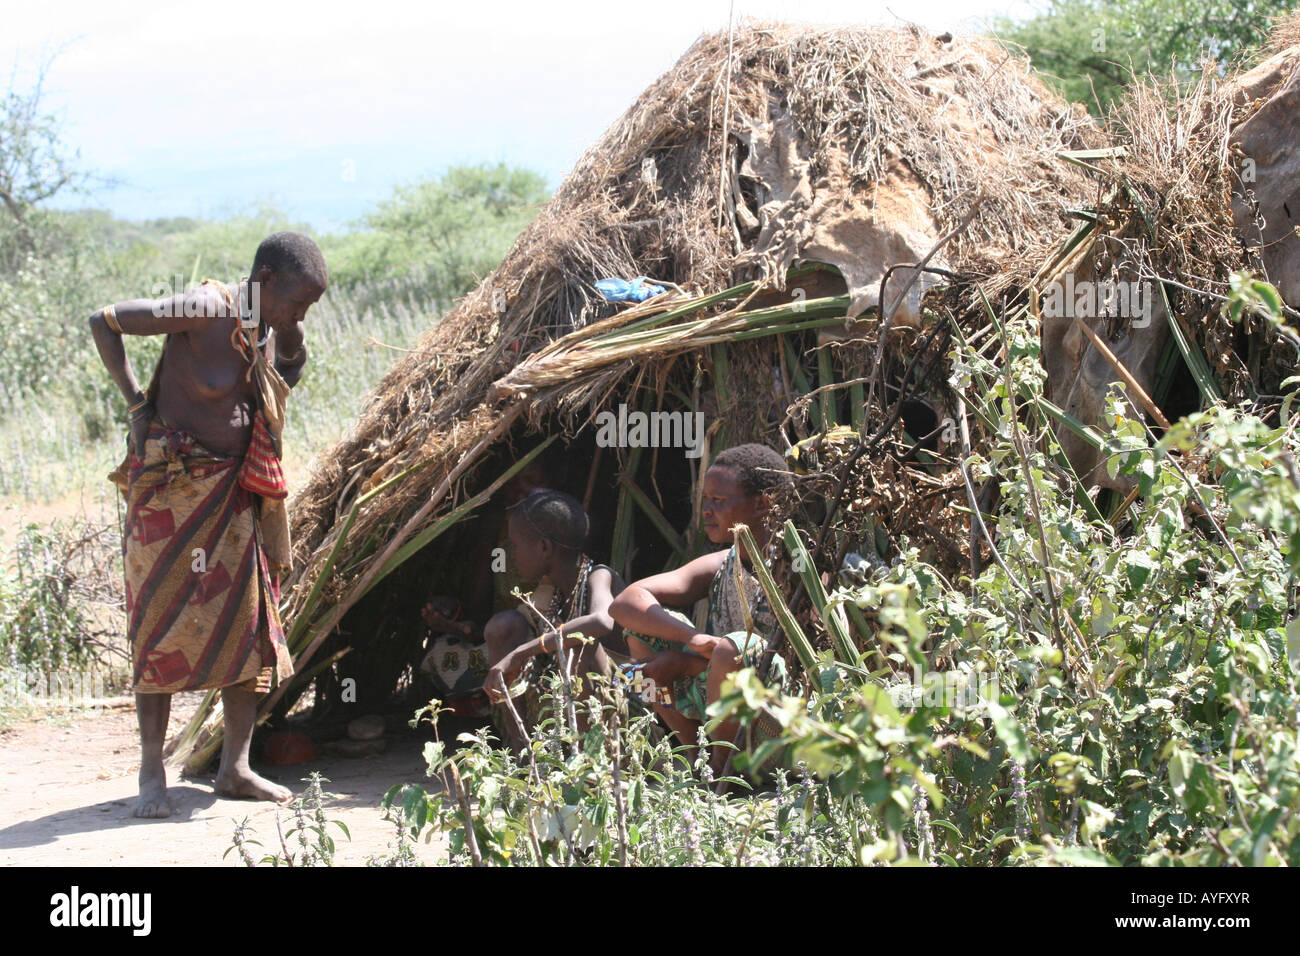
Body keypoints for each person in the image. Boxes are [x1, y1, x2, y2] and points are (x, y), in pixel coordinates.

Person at [90, 232, 327, 818]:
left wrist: (292, 330)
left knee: (247, 629)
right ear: (264, 279)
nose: (300, 314)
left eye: (309, 308)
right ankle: (151, 772)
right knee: (160, 626)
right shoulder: (202, 308)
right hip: (171, 491)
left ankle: (235, 767)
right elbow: (104, 321)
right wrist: (136, 402)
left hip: (233, 495)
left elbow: (288, 377)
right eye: (296, 301)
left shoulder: (269, 331)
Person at [609, 443, 792, 773]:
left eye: (718, 501)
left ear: (762, 504)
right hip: (721, 698)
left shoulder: (797, 564)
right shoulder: (722, 563)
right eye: (705, 500)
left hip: (779, 718)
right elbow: (624, 603)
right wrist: (692, 639)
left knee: (736, 645)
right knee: (640, 630)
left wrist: (687, 663)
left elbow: (782, 661)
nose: (706, 511)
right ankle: (699, 759)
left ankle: (723, 769)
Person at [481, 490, 627, 734]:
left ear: (543, 547)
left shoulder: (599, 576)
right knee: (503, 626)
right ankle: (522, 758)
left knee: (579, 645)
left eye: (515, 546)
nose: (512, 556)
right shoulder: (551, 590)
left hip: (627, 706)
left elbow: (601, 622)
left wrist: (520, 653)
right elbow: (507, 630)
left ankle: (585, 765)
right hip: (575, 706)